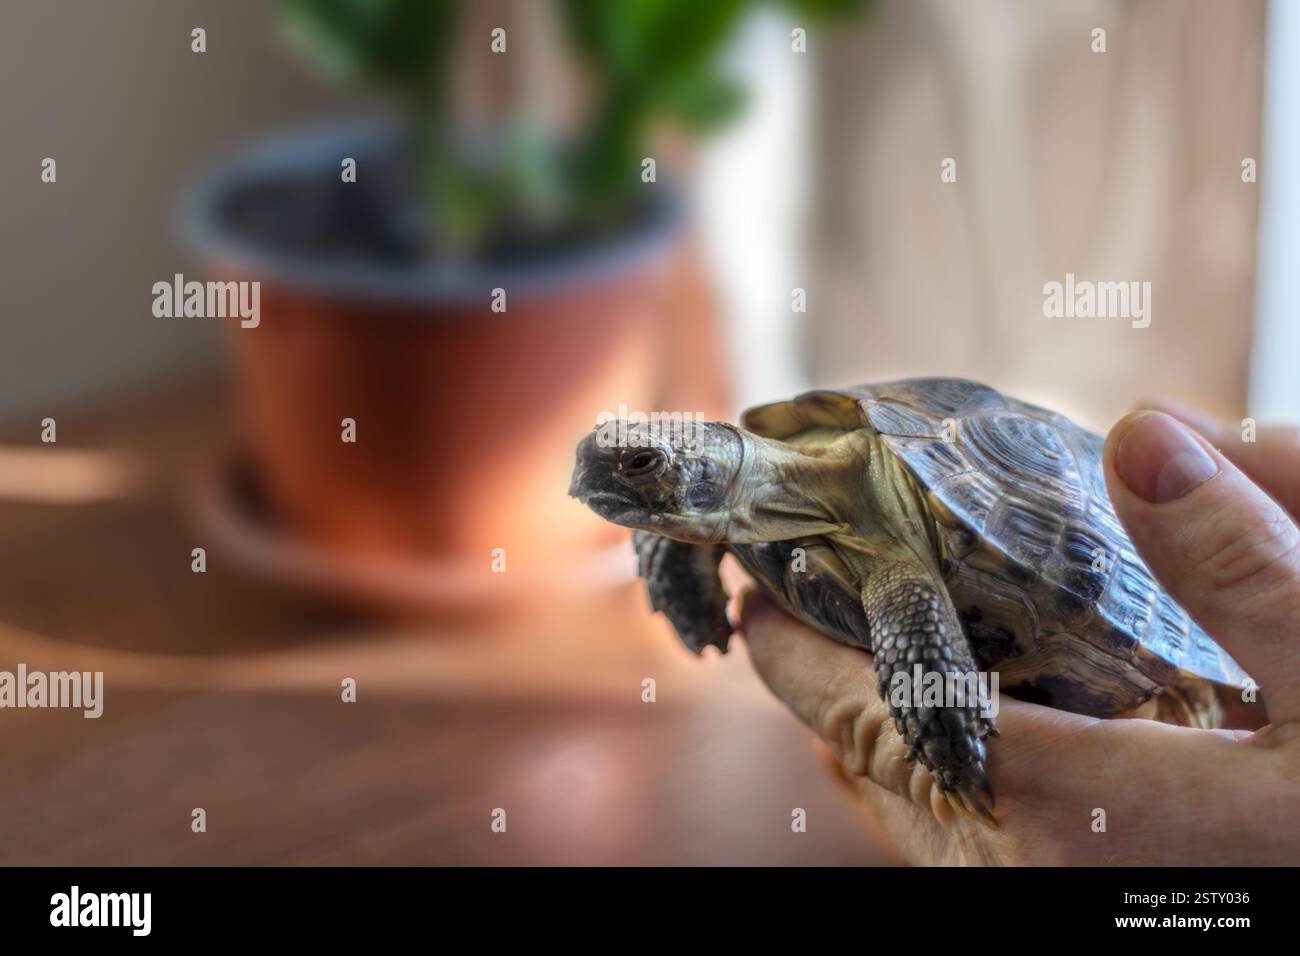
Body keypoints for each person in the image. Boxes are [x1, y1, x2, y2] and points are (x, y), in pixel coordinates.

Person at [732, 402, 1300, 864]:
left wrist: (946, 745)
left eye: (648, 465)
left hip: (1127, 639)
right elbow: (691, 496)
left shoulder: (890, 520)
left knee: (1173, 716)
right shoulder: (746, 487)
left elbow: (913, 618)